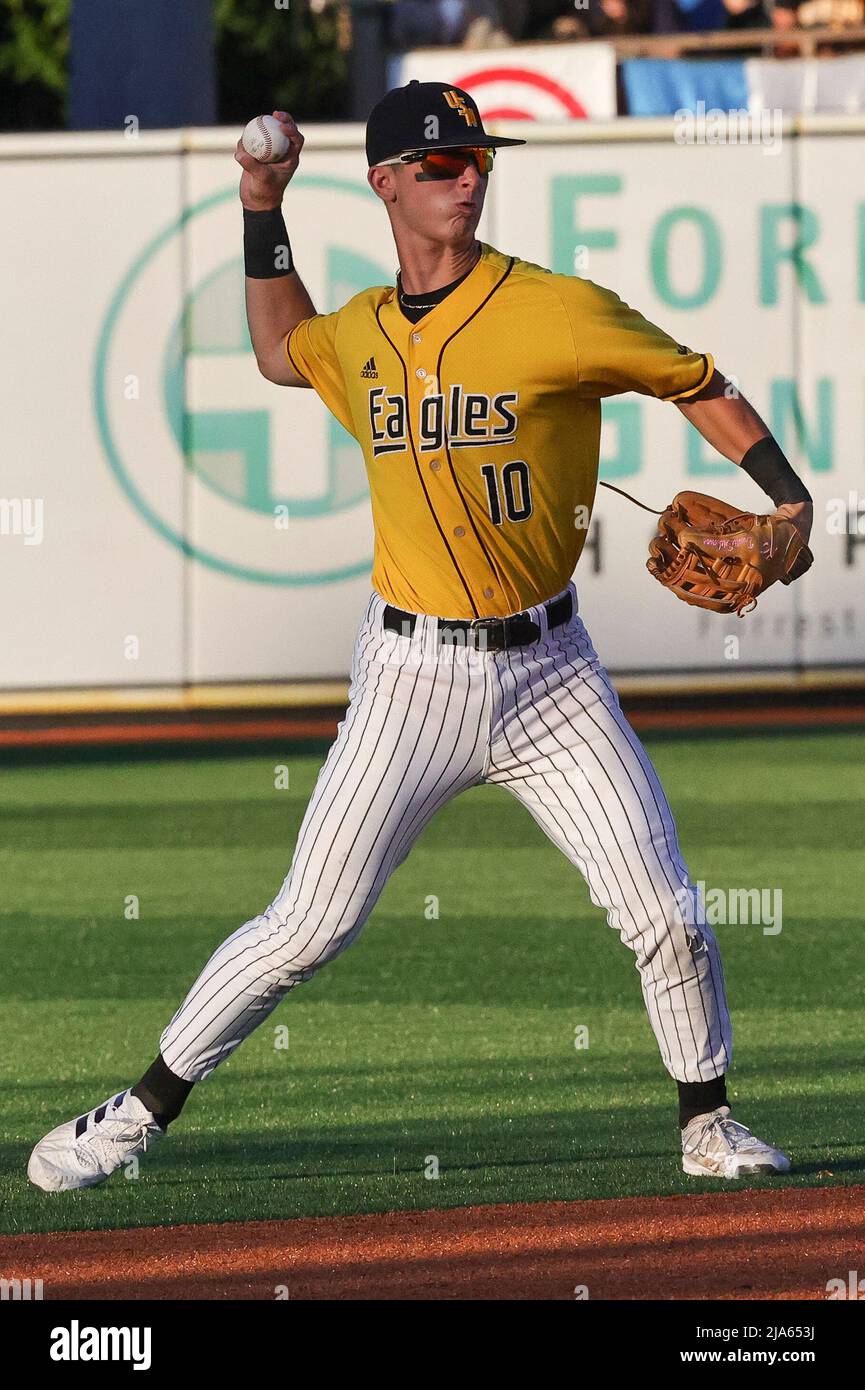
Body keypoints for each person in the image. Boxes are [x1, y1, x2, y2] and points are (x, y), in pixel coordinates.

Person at [28, 80, 812, 1193]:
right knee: (306, 926)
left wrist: (788, 499)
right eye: (441, 165)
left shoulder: (558, 309)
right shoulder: (358, 335)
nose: (467, 178)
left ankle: (707, 1122)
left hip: (553, 673)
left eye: (477, 160)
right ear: (387, 182)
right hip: (410, 673)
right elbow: (277, 347)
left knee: (666, 911)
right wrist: (261, 200)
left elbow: (695, 380)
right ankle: (138, 1110)